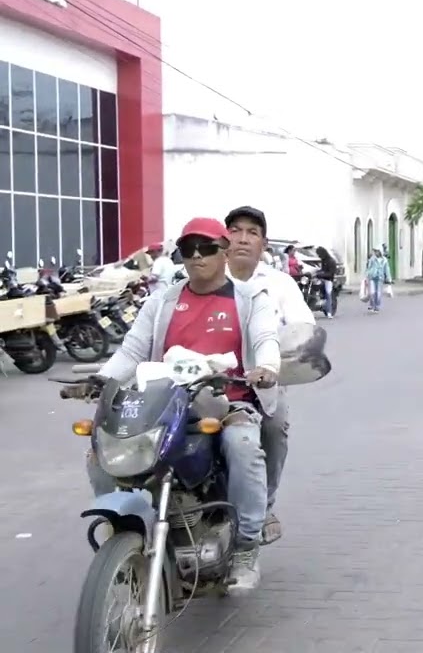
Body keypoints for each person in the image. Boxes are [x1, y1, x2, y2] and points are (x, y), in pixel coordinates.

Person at [80, 216, 280, 593]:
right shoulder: (163, 300)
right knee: (103, 446)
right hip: (165, 402)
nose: (197, 256)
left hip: (228, 401)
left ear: (224, 252)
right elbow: (132, 351)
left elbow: (266, 338)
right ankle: (123, 533)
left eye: (206, 248)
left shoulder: (250, 299)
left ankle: (246, 546)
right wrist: (103, 379)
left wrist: (267, 367)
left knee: (243, 446)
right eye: (188, 250)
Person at [224, 206, 316, 547]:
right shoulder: (204, 279)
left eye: (252, 232)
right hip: (203, 386)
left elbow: (303, 330)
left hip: (261, 387)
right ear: (224, 237)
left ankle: (264, 507)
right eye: (236, 230)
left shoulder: (279, 285)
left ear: (263, 244)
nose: (243, 238)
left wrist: (277, 366)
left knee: (274, 430)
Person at [315, 247, 338, 318]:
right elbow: (323, 270)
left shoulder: (331, 261)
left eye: (319, 254)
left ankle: (329, 312)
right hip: (323, 279)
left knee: (328, 294)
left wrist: (321, 274)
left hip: (328, 280)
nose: (318, 256)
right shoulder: (323, 260)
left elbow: (331, 273)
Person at [365, 248, 390, 312]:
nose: (376, 253)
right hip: (372, 277)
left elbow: (387, 269)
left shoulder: (384, 260)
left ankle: (377, 306)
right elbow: (368, 268)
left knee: (378, 293)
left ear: (380, 252)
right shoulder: (372, 259)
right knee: (372, 292)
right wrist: (367, 276)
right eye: (375, 251)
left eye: (377, 251)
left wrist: (388, 278)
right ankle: (372, 305)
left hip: (380, 278)